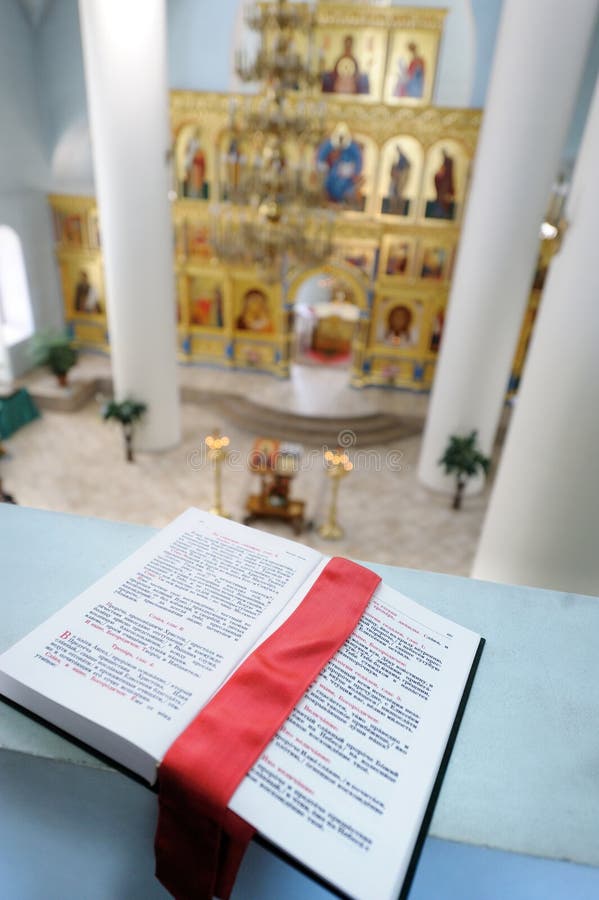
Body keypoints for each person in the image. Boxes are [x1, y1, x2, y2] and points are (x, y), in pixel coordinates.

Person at [316, 123, 364, 208]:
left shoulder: (352, 148)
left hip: (346, 177)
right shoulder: (329, 145)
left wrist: (354, 173)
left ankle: (342, 202)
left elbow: (358, 161)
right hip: (332, 176)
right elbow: (321, 158)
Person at [384, 144, 411, 214]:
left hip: (398, 184)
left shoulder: (403, 161)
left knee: (398, 196)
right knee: (393, 197)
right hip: (395, 184)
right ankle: (393, 209)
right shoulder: (393, 183)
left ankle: (398, 210)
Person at [429, 149, 455, 219]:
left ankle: (442, 214)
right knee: (440, 202)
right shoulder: (445, 163)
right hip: (441, 189)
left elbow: (448, 175)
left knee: (443, 203)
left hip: (445, 188)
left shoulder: (448, 162)